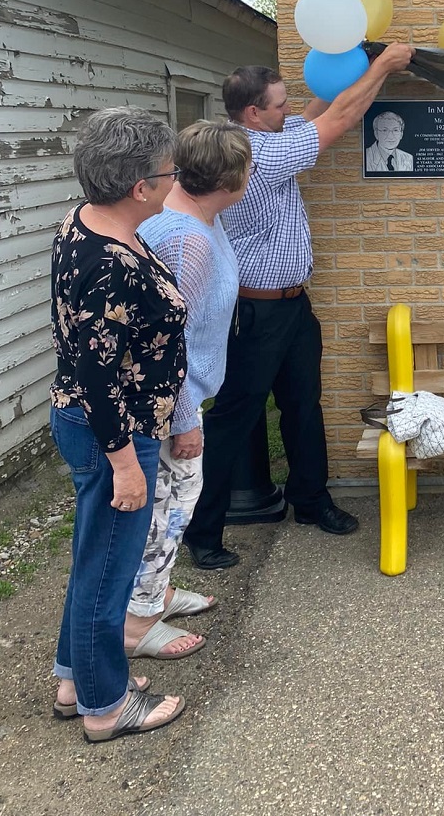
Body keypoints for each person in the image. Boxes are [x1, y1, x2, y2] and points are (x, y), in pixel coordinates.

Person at [183, 44, 414, 569]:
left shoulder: (265, 137)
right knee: (235, 419)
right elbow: (339, 118)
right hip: (254, 313)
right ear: (252, 114)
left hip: (292, 308)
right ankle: (203, 531)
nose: (291, 109)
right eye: (280, 104)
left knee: (304, 406)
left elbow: (312, 116)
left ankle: (310, 501)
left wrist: (348, 71)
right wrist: (382, 67)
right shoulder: (256, 156)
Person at [50, 107, 186, 742]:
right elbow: (98, 375)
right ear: (140, 188)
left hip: (107, 421)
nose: (174, 181)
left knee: (92, 557)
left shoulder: (90, 224)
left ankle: (75, 676)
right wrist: (126, 464)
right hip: (114, 431)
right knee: (109, 570)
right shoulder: (107, 262)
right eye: (169, 173)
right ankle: (104, 708)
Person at [122, 121, 252, 658]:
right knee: (168, 509)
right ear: (230, 179)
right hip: (167, 407)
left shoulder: (196, 215)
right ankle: (136, 625)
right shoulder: (184, 241)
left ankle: (157, 593)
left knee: (172, 504)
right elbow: (162, 344)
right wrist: (184, 420)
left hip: (179, 397)